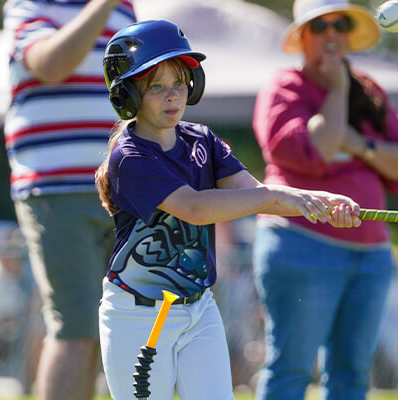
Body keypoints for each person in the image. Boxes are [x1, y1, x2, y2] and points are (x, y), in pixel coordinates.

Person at [93, 20, 364, 400]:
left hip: (198, 309)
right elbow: (196, 208)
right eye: (156, 86)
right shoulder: (131, 156)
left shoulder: (201, 139)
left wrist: (316, 201)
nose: (172, 96)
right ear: (128, 95)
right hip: (138, 316)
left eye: (179, 82)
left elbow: (253, 193)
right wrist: (281, 196)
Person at [251, 0, 398, 398]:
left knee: (351, 374)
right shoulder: (285, 87)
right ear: (302, 37)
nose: (331, 34)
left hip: (372, 255)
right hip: (301, 246)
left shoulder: (370, 91)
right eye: (319, 26)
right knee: (291, 370)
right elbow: (319, 149)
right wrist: (338, 89)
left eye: (340, 23)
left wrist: (360, 143)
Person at [1, 0, 134, 398]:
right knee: (75, 328)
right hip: (55, 188)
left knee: (120, 328)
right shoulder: (28, 6)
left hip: (125, 188)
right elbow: (53, 64)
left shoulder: (124, 9)